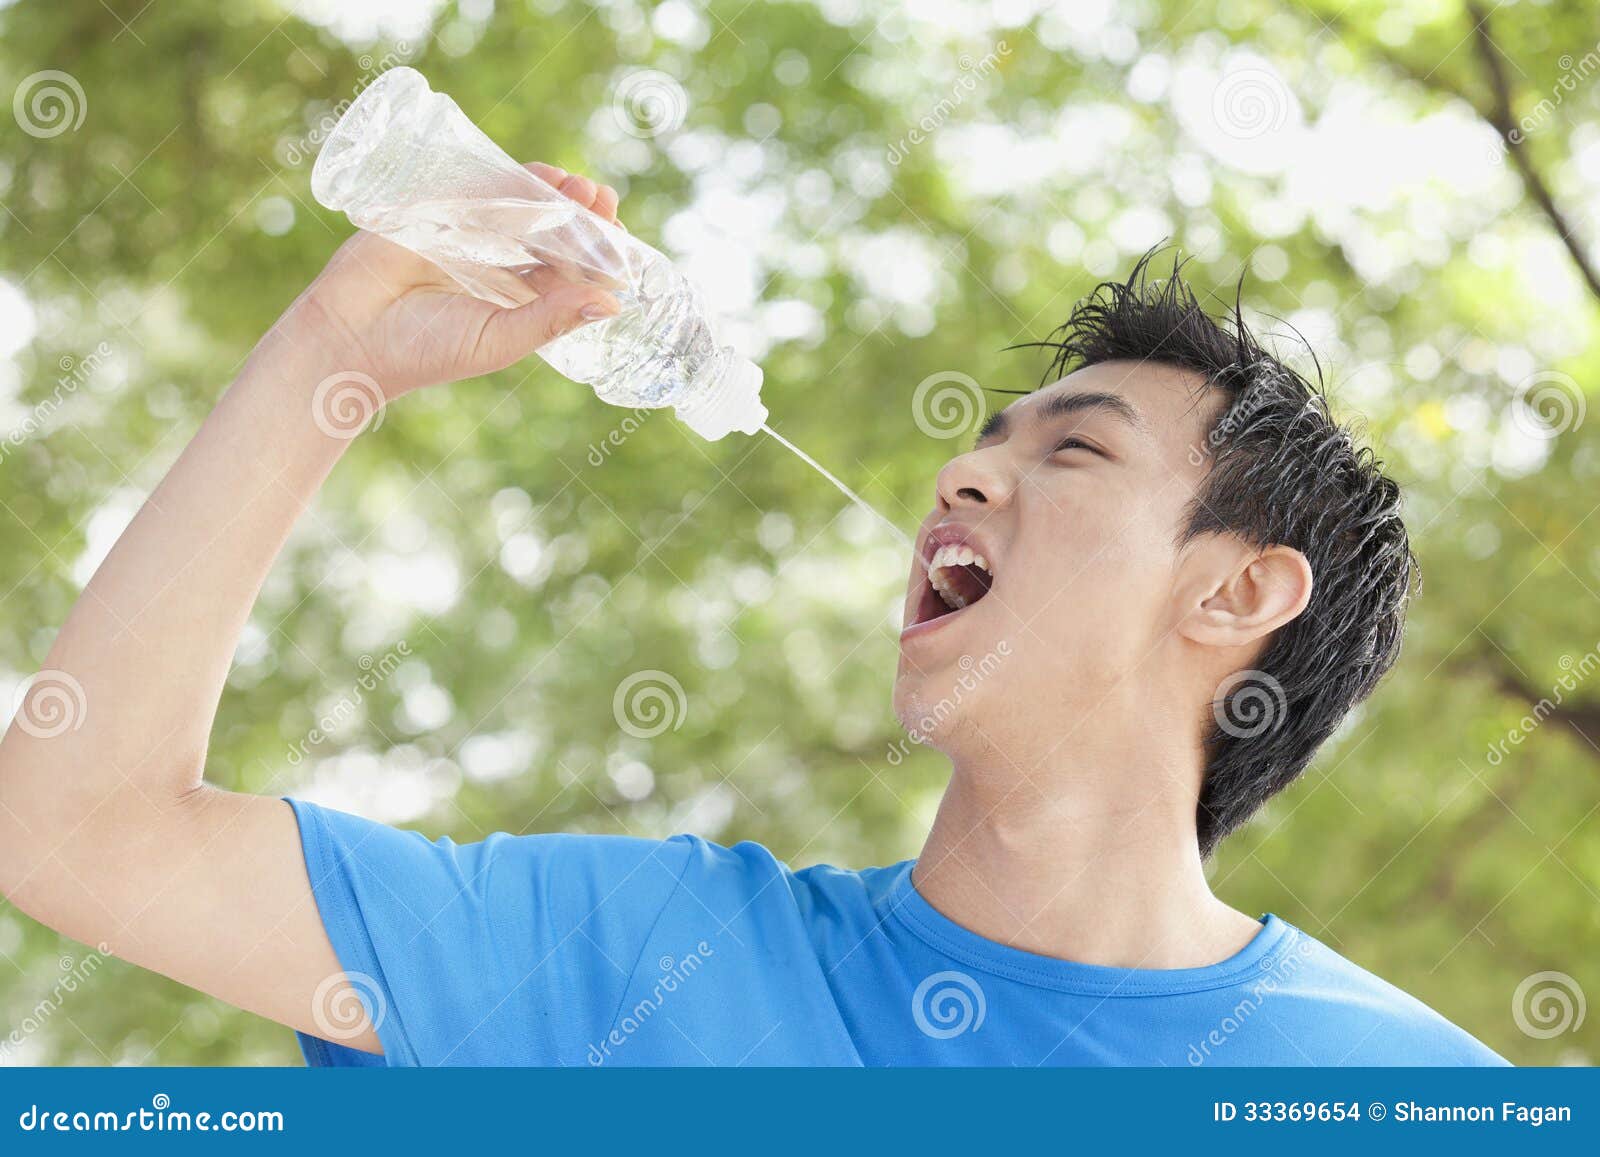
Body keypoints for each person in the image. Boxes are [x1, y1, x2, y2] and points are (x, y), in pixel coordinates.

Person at [0, 164, 1504, 1066]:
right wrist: (337, 350)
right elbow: (82, 827)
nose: (965, 475)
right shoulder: (634, 959)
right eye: (981, 438)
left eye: (1075, 448)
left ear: (1238, 590)